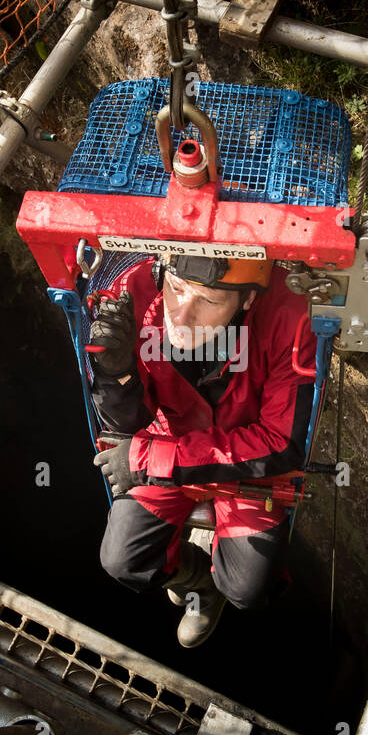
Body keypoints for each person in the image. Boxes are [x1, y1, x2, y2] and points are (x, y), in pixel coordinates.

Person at [88, 252, 317, 647]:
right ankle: (198, 582)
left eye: (208, 300)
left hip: (243, 462)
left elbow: (281, 442)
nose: (181, 315)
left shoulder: (289, 315)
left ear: (247, 299)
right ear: (163, 270)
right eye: (177, 289)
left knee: (247, 588)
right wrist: (114, 373)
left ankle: (220, 586)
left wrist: (150, 461)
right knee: (123, 560)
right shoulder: (133, 293)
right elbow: (128, 424)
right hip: (167, 437)